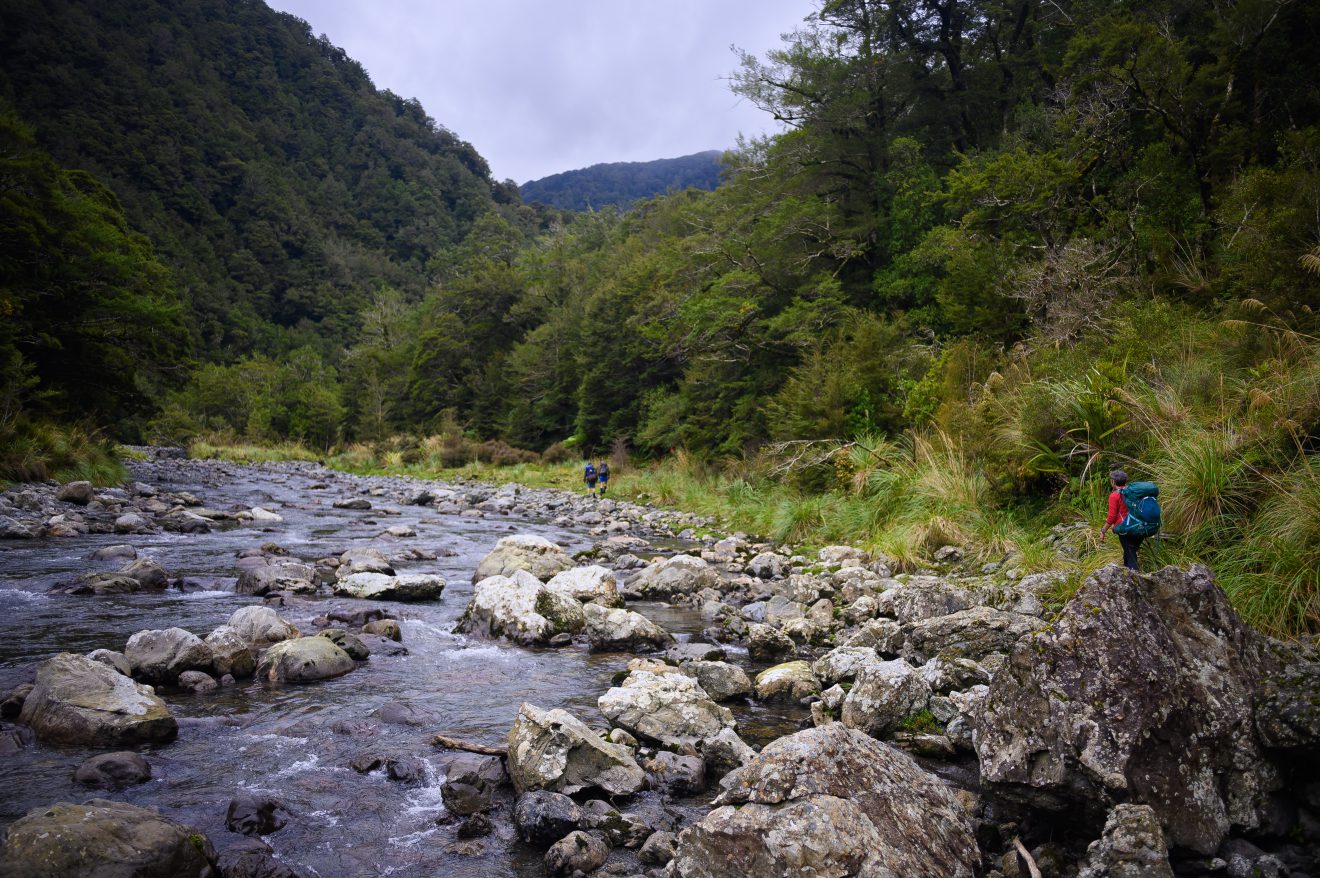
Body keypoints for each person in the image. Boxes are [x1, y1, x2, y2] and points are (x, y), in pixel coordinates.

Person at [1100, 469, 1143, 572]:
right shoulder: (1134, 492)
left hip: (1125, 529)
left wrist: (1103, 531)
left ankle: (1135, 580)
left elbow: (1111, 517)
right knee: (1129, 552)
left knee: (1130, 555)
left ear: (1113, 482)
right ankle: (1126, 576)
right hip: (1140, 527)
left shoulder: (1114, 495)